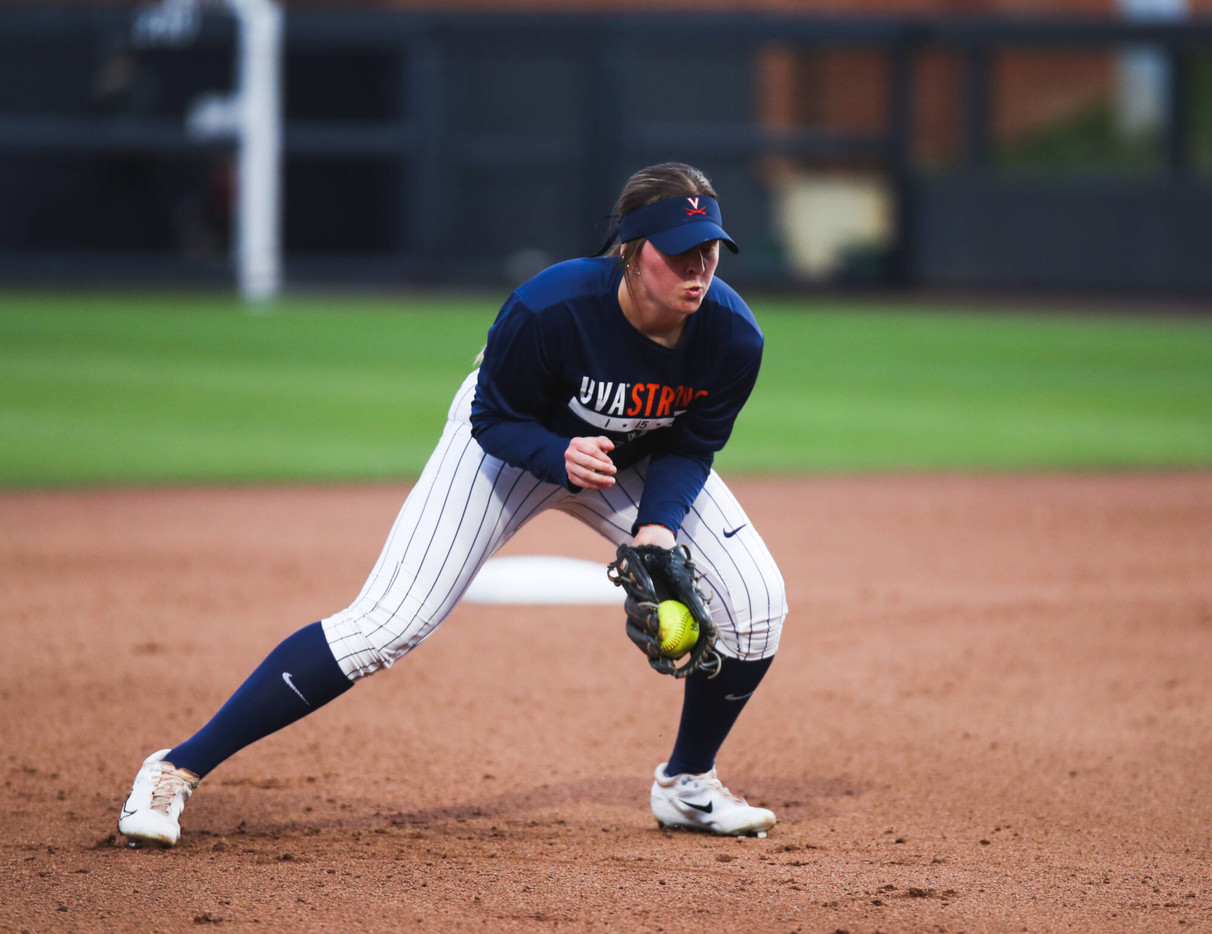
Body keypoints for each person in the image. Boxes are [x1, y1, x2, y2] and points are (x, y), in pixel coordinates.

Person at [118, 162, 788, 846]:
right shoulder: (549, 309)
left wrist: (655, 531)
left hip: (629, 463)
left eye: (708, 252)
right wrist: (556, 456)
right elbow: (493, 418)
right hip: (512, 447)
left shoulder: (733, 336)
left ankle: (688, 783)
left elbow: (690, 445)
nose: (697, 269)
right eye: (678, 253)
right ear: (630, 249)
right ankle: (174, 768)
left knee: (757, 601)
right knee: (386, 624)